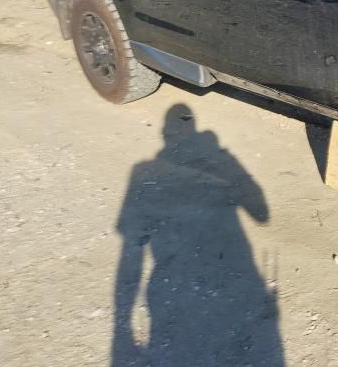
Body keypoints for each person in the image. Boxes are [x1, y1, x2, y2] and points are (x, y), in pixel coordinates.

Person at [112, 104, 283, 366]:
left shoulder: (143, 171)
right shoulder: (218, 160)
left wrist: (121, 322)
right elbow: (262, 213)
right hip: (228, 278)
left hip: (174, 291)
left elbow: (130, 244)